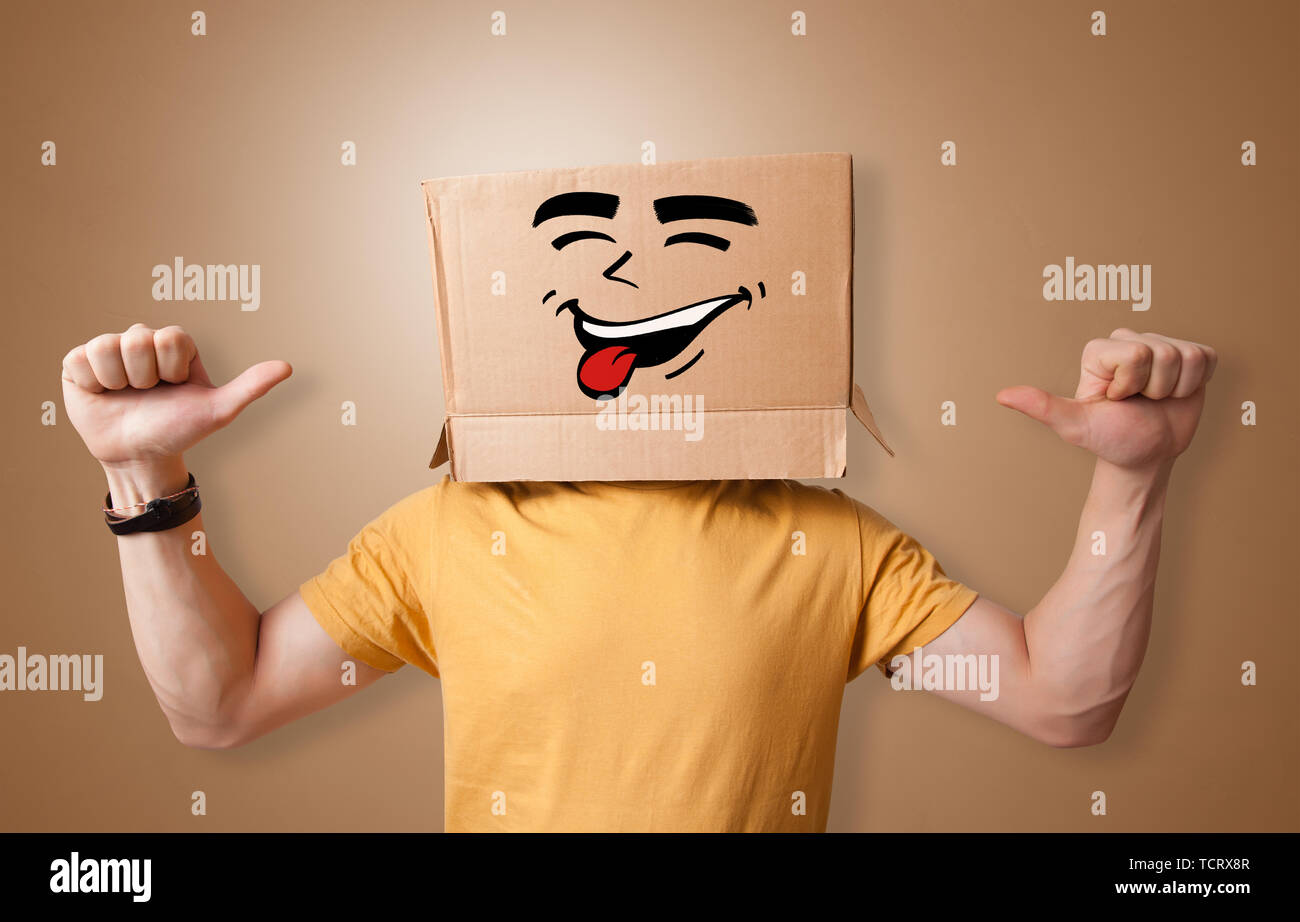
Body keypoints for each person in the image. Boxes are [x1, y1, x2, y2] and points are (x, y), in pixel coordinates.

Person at [60, 322, 1216, 831]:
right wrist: (144, 471)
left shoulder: (831, 542)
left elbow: (1063, 700)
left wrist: (1135, 482)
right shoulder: (450, 530)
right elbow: (220, 706)